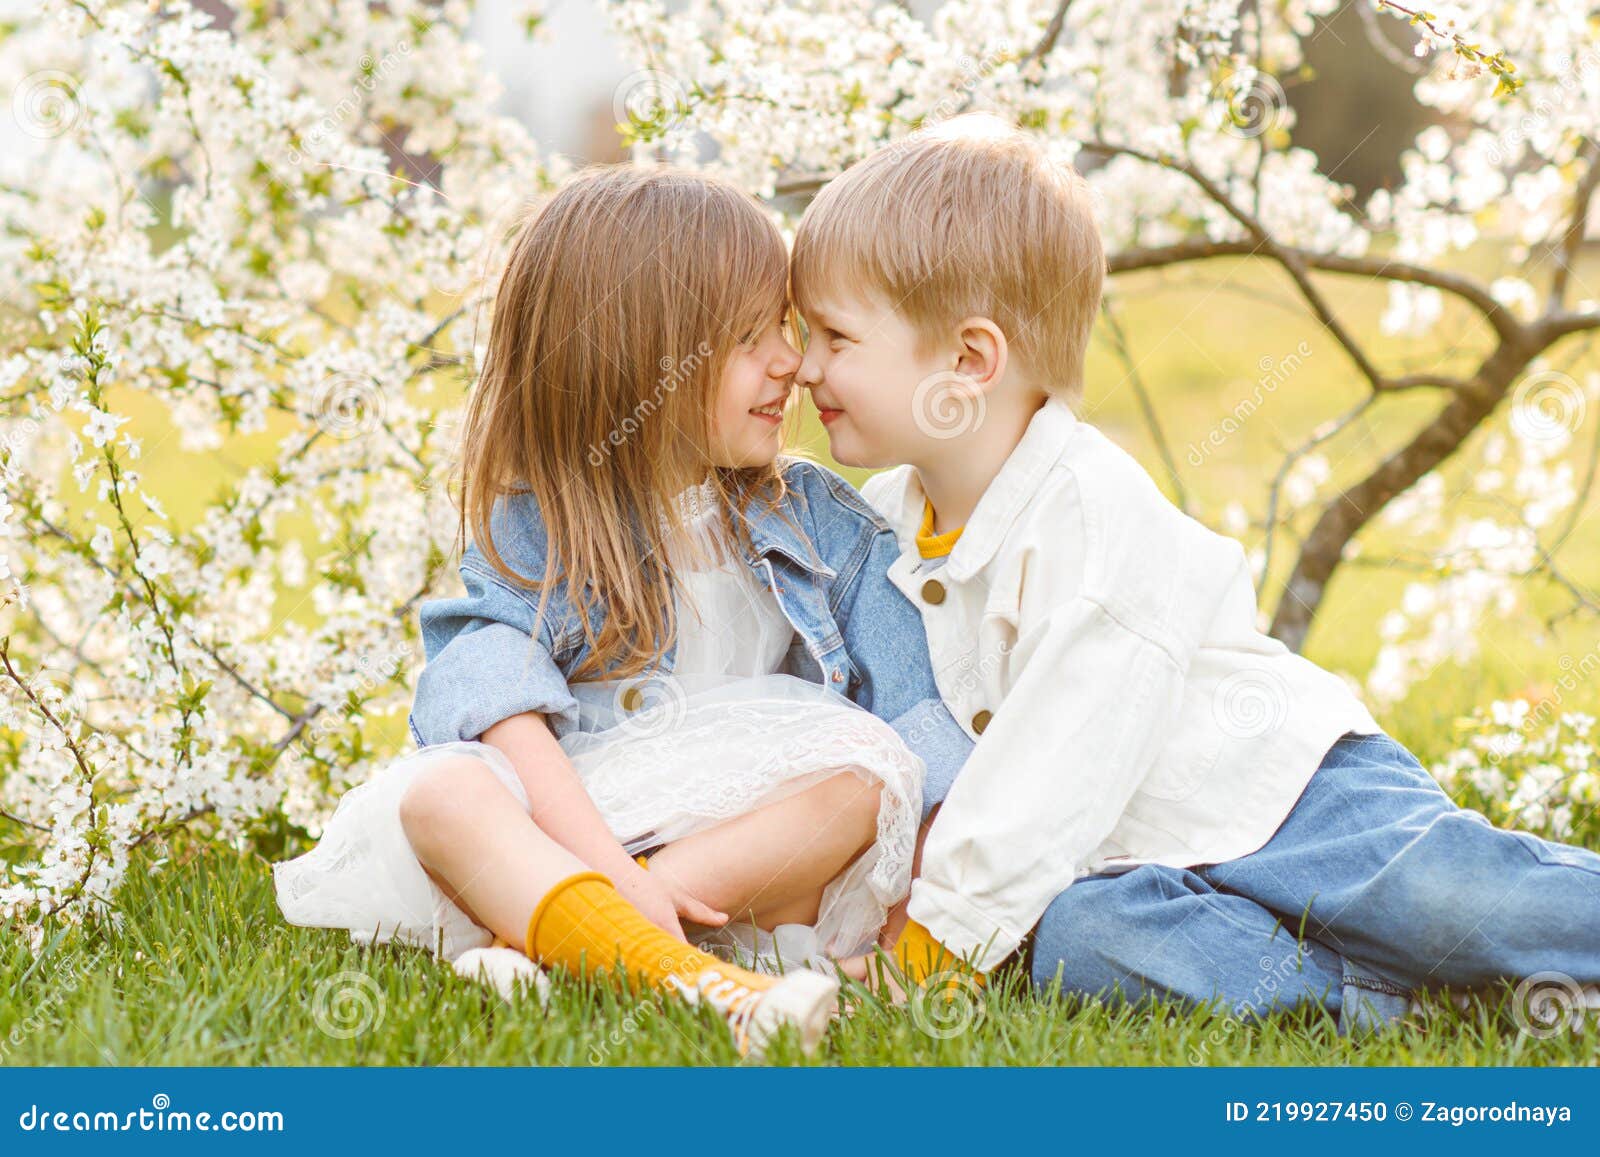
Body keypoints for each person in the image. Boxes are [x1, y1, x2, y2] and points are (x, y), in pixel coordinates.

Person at [790, 115, 1600, 1036]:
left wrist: (934, 954)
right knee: (1083, 942)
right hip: (1132, 862)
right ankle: (1397, 1006)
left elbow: (1056, 758)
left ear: (968, 361)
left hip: (1287, 794)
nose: (804, 367)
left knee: (1452, 900)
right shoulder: (890, 522)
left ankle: (1499, 956)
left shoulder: (1090, 514)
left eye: (834, 337)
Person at [273, 165, 972, 1059]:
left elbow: (922, 722)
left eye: (785, 327)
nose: (791, 362)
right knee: (445, 789)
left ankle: (561, 945)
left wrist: (918, 940)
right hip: (574, 831)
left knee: (875, 776)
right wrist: (605, 867)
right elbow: (489, 692)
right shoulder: (542, 524)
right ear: (641, 359)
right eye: (751, 336)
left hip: (743, 855)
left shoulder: (815, 519)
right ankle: (693, 976)